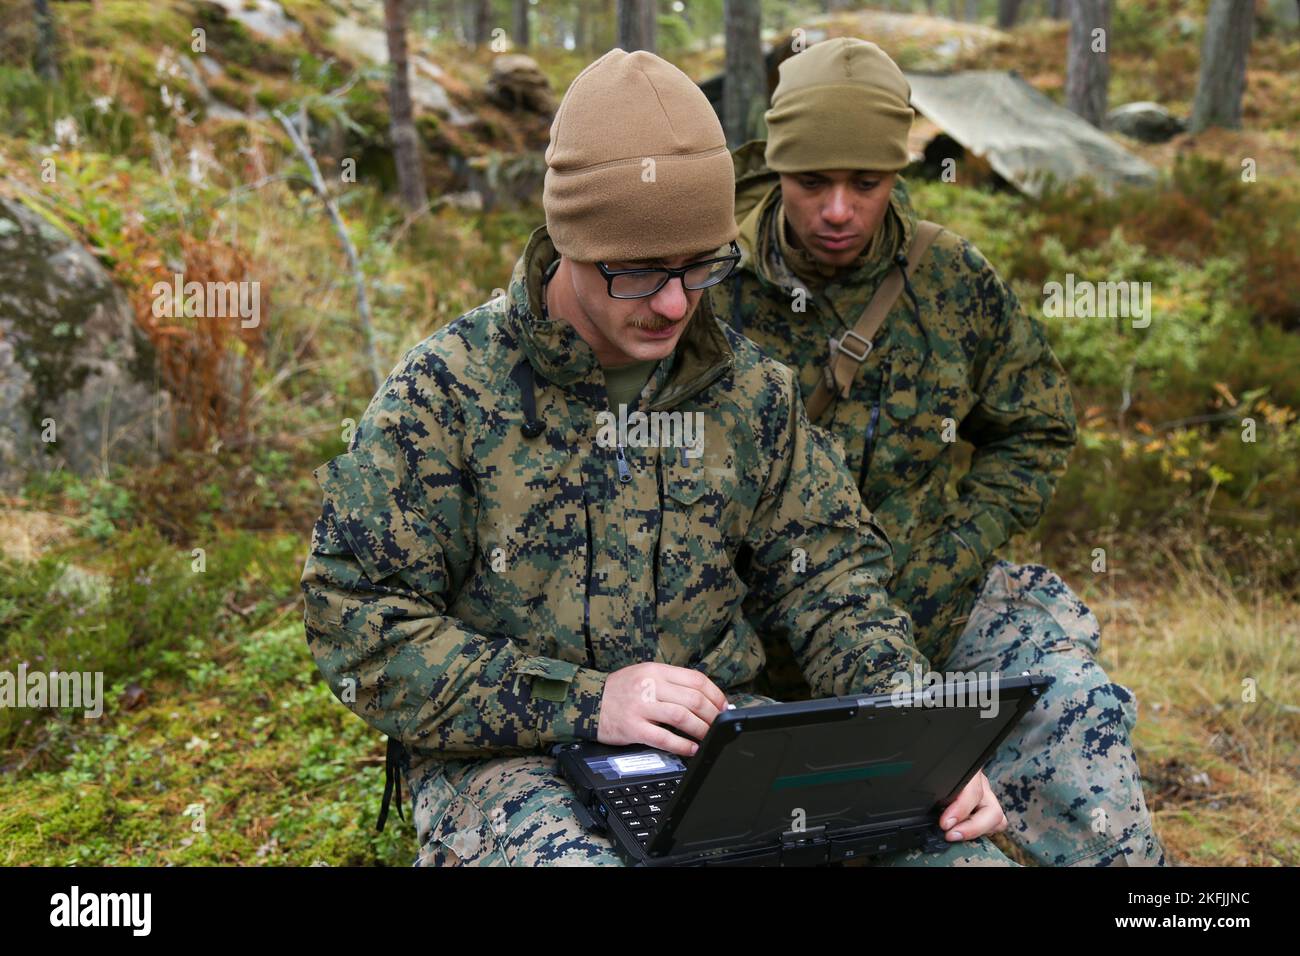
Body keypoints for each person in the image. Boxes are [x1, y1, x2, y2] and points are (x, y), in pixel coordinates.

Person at [301, 48, 1014, 867]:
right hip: (505, 761)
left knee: (958, 860)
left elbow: (832, 580)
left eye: (701, 266)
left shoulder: (749, 393)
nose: (676, 304)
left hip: (717, 743)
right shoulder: (446, 394)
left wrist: (916, 740)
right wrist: (584, 701)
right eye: (638, 273)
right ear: (570, 240)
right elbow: (356, 622)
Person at [709, 36, 1166, 866]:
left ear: (898, 175)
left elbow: (1036, 425)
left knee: (1075, 707)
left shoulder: (949, 282)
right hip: (753, 650)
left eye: (867, 183)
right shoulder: (706, 287)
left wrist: (960, 547)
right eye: (813, 181)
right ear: (777, 169)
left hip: (938, 618)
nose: (839, 210)